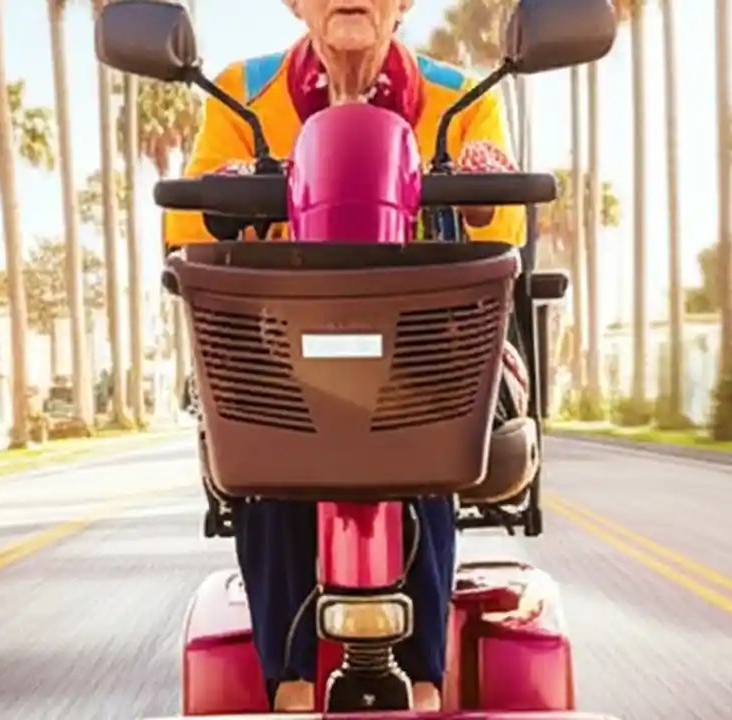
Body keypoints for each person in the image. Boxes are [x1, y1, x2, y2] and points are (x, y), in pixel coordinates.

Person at [163, 0, 527, 711]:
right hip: (282, 353)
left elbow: (506, 222)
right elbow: (184, 224)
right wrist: (233, 192)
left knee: (423, 425)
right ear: (295, 3)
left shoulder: (462, 97)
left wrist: (482, 180)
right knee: (270, 452)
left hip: (427, 353)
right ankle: (291, 689)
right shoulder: (240, 91)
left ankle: (424, 684)